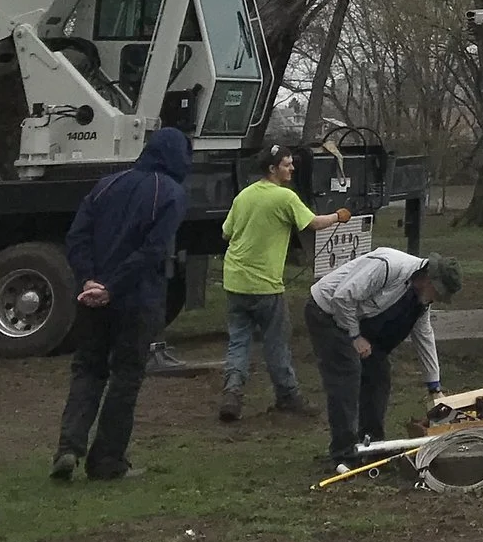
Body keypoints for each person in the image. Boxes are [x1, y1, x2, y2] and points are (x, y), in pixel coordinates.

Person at [51, 125, 189, 481]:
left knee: (87, 369)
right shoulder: (170, 192)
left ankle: (68, 447)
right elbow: (154, 250)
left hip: (92, 295)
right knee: (126, 377)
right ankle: (108, 459)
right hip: (137, 297)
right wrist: (113, 286)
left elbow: (77, 236)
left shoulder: (106, 185)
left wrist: (88, 279)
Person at [217, 145, 349, 422]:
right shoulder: (284, 197)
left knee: (238, 341)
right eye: (287, 165)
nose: (291, 169)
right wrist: (339, 216)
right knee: (276, 342)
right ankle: (288, 396)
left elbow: (226, 233)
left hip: (234, 281)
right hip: (265, 285)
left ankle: (232, 393)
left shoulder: (244, 196)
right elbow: (312, 223)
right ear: (272, 169)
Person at [304, 247, 461, 473]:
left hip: (352, 319)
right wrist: (356, 337)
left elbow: (424, 335)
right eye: (438, 292)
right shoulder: (388, 266)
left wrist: (434, 386)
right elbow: (342, 297)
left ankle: (372, 445)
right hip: (326, 311)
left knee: (379, 375)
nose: (437, 298)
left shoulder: (419, 298)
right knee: (346, 378)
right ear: (428, 279)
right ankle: (344, 454)